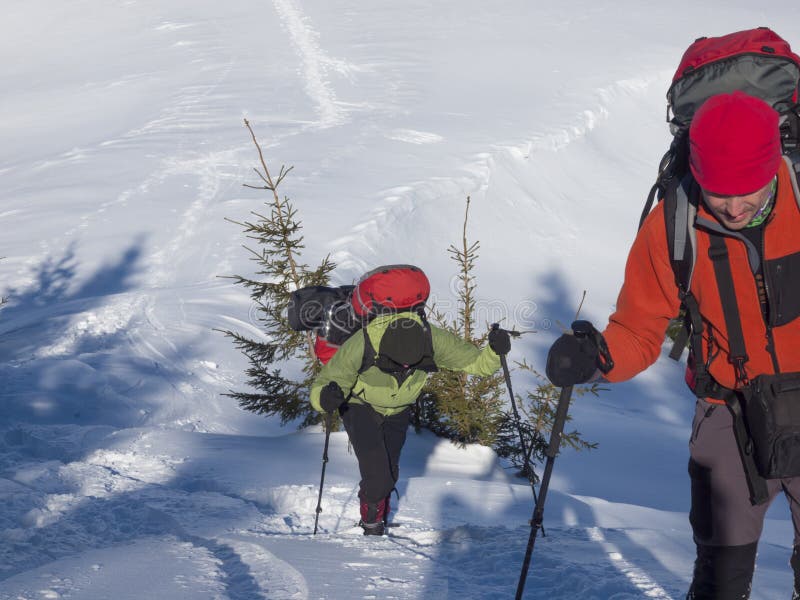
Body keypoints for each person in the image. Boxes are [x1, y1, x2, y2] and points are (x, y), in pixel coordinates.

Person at [546, 91, 800, 598]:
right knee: (719, 577)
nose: (732, 207)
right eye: (718, 192)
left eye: (747, 190)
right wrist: (597, 358)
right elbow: (640, 328)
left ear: (773, 165)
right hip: (730, 409)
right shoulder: (672, 224)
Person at [309, 265, 510, 536]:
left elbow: (476, 363)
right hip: (359, 405)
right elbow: (328, 380)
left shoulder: (431, 336)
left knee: (390, 472)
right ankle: (371, 524)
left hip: (399, 409)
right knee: (377, 475)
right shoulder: (365, 340)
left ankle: (377, 509)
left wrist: (495, 352)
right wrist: (325, 398)